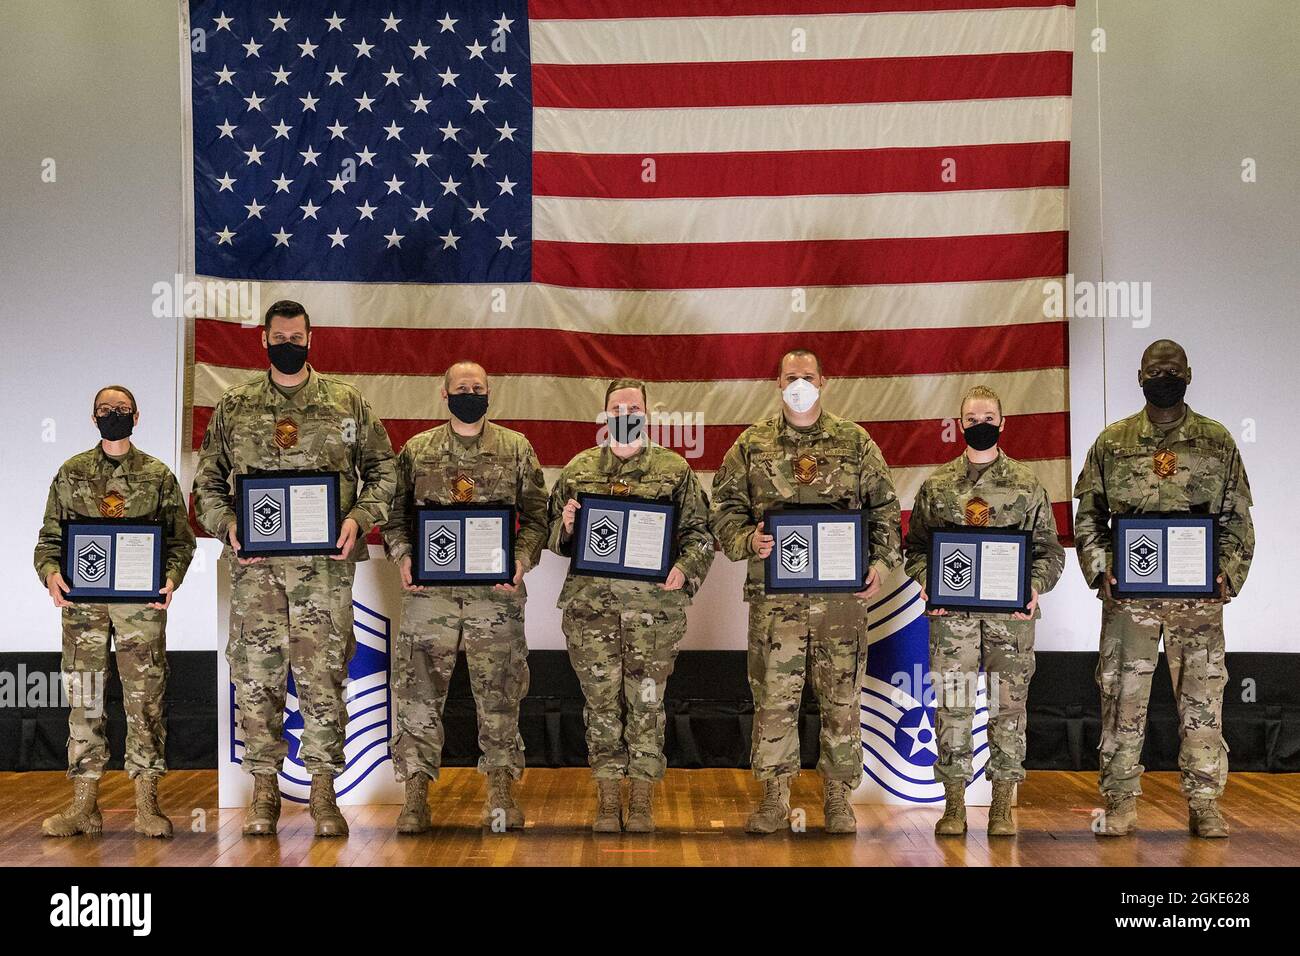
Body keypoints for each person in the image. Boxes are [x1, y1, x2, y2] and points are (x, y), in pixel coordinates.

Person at [192, 300, 396, 838]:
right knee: (256, 681)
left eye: (297, 335)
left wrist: (358, 519)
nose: (288, 342)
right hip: (257, 573)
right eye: (279, 336)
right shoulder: (235, 407)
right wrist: (227, 526)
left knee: (323, 678)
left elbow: (383, 471)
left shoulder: (346, 403)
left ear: (311, 338)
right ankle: (264, 792)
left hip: (324, 574)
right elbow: (206, 486)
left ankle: (324, 792)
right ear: (264, 340)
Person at [710, 349, 901, 834]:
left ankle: (838, 798)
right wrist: (748, 540)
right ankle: (774, 799)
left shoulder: (856, 443)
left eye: (808, 376)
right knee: (774, 700)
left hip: (841, 605)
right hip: (777, 605)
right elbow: (723, 511)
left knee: (841, 700)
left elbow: (884, 512)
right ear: (777, 383)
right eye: (791, 377)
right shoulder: (751, 445)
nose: (800, 383)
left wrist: (879, 563)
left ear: (825, 381)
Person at [1074, 339, 1253, 838]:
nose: (1165, 374)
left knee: (1202, 704)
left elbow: (1238, 521)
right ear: (1140, 376)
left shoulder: (1217, 442)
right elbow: (1088, 517)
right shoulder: (1113, 443)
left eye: (1173, 368)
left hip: (1197, 605)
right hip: (1130, 603)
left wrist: (1227, 574)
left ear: (1189, 374)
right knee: (1121, 701)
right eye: (1156, 369)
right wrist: (1102, 568)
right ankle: (1122, 802)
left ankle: (1204, 804)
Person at [382, 361, 547, 834]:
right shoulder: (417, 450)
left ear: (490, 393)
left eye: (478, 388)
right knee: (417, 693)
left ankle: (500, 791)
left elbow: (538, 517)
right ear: (444, 393)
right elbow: (394, 516)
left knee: (500, 692)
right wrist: (403, 557)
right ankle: (415, 793)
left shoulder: (515, 448)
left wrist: (521, 561)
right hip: (429, 596)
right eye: (461, 388)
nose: (469, 393)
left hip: (495, 596)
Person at [546, 379, 715, 833]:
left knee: (647, 704)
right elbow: (554, 539)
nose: (625, 412)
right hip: (591, 613)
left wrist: (684, 569)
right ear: (604, 414)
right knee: (600, 705)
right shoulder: (579, 470)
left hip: (653, 614)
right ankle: (606, 799)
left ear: (647, 412)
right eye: (617, 407)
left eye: (633, 406)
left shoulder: (674, 470)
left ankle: (640, 799)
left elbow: (702, 535)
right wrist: (564, 526)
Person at [34, 385, 195, 838]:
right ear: (93, 418)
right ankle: (84, 806)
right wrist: (51, 574)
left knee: (144, 700)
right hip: (83, 610)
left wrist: (170, 578)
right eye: (105, 410)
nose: (113, 415)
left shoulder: (158, 475)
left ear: (136, 416)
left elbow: (180, 541)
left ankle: (146, 803)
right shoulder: (73, 472)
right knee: (84, 699)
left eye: (121, 409)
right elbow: (48, 540)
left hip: (139, 609)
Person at [904, 385, 1064, 837]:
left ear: (1003, 421)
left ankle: (1001, 806)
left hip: (1010, 624)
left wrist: (1033, 587)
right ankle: (953, 803)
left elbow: (1050, 553)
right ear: (959, 425)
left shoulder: (1028, 484)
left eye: (988, 416)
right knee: (952, 707)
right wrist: (926, 580)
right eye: (971, 419)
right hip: (952, 623)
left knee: (1007, 710)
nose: (981, 425)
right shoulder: (937, 486)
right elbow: (914, 549)